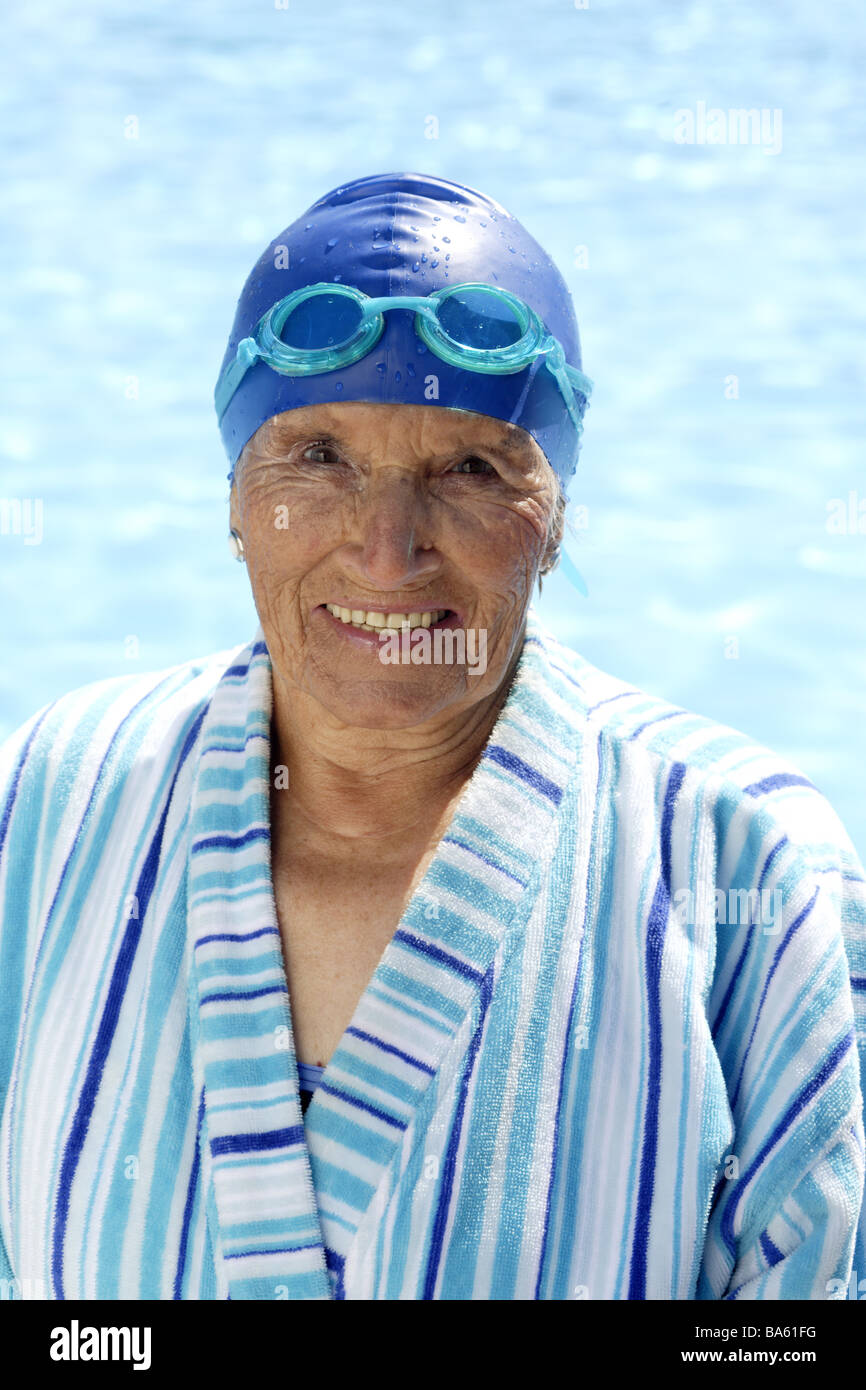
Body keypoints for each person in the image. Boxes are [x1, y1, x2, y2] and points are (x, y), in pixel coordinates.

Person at [0, 172, 864, 1302]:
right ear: (232, 496)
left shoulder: (744, 860)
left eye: (467, 468)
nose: (385, 550)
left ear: (551, 516)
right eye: (317, 459)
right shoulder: (50, 805)